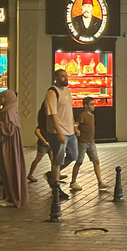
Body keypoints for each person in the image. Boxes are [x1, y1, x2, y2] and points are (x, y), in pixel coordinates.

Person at [46, 68, 78, 201]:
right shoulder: (52, 92)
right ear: (56, 78)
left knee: (73, 155)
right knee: (58, 159)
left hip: (70, 131)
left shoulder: (67, 91)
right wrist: (59, 132)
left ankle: (52, 174)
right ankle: (56, 188)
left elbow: (69, 110)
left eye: (66, 76)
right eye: (63, 76)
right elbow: (53, 114)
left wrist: (74, 126)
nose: (66, 78)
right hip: (58, 132)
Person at [0, 90, 28, 207]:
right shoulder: (10, 109)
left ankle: (13, 198)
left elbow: (9, 129)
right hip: (10, 143)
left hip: (8, 144)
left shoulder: (8, 111)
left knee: (9, 168)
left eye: (2, 97)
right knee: (9, 168)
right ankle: (11, 196)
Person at [70, 97, 109, 192]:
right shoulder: (83, 115)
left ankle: (100, 182)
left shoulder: (92, 116)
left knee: (96, 161)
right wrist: (76, 129)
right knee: (79, 161)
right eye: (91, 104)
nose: (93, 106)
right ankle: (73, 181)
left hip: (91, 142)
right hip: (82, 142)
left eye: (93, 104)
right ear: (85, 105)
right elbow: (76, 124)